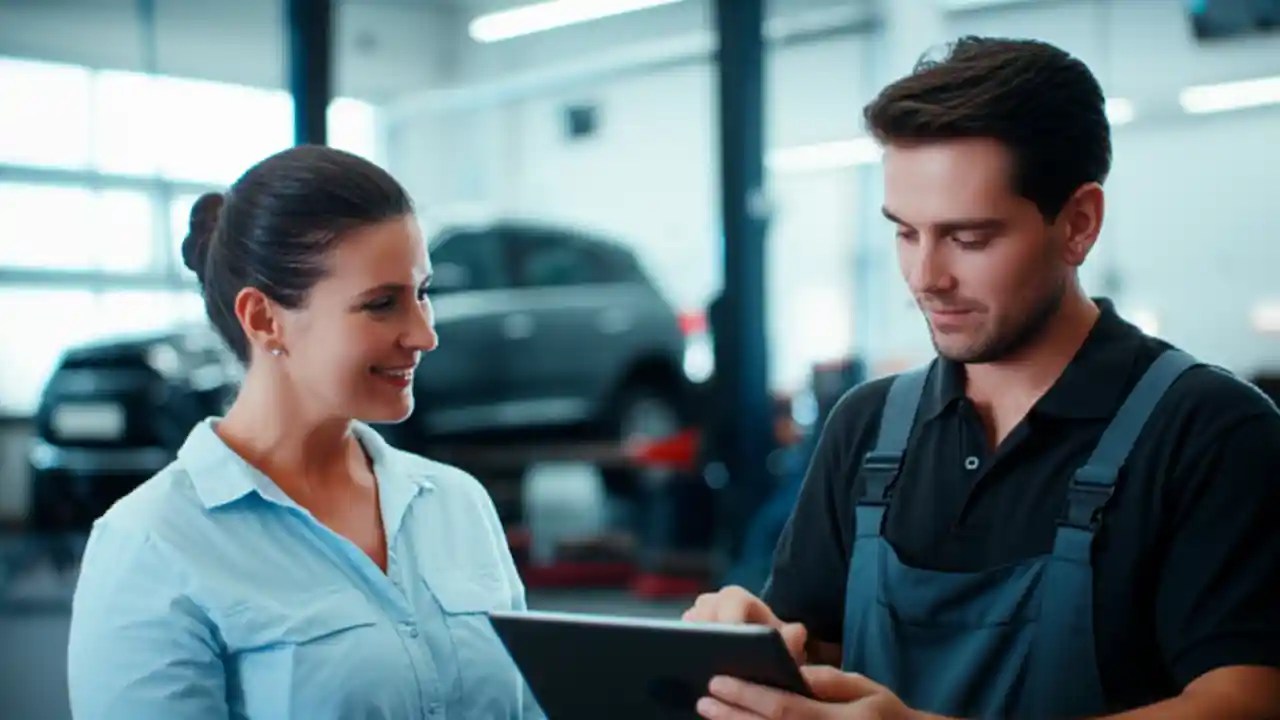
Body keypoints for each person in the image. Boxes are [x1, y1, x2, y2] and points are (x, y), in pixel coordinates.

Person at [684, 36, 1280, 720]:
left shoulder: (1213, 432)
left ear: (1078, 224)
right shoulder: (867, 428)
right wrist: (762, 648)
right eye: (906, 233)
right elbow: (818, 646)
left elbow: (1247, 700)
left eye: (968, 239)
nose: (925, 278)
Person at [67, 145, 541, 719]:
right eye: (382, 304)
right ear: (265, 319)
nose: (423, 334)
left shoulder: (459, 504)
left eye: (422, 294)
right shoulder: (152, 543)